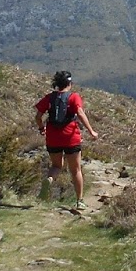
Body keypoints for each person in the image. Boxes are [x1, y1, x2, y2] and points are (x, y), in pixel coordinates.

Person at [34, 70, 98, 211]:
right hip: (71, 138)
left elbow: (38, 116)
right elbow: (80, 114)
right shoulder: (74, 97)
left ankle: (49, 180)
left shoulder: (49, 98)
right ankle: (79, 201)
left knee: (56, 166)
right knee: (76, 170)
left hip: (53, 137)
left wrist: (41, 128)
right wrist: (91, 131)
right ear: (70, 83)